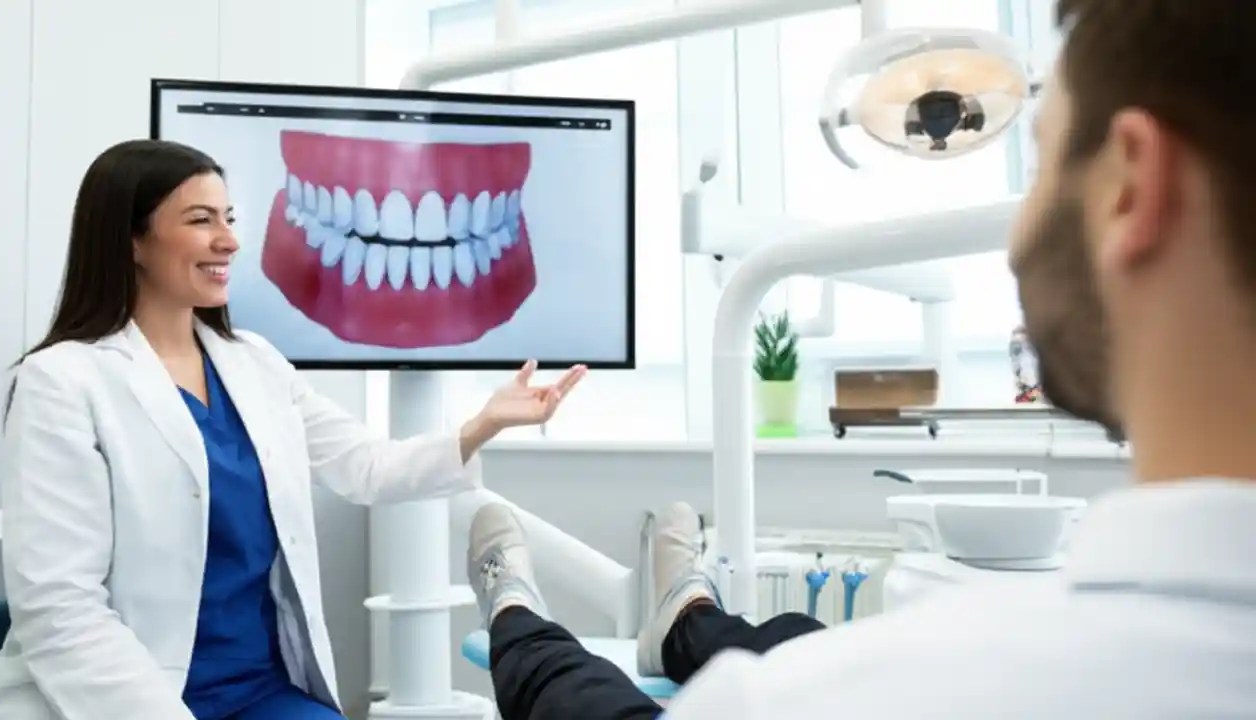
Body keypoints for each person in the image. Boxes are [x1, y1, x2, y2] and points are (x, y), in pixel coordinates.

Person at [463, 0, 1256, 717]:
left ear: (1130, 186)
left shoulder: (813, 700)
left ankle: (515, 615)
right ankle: (689, 620)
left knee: (581, 696)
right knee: (801, 636)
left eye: (1043, 156)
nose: (1017, 238)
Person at [0, 139, 586, 720]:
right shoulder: (61, 382)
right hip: (120, 698)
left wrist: (484, 423)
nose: (229, 240)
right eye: (200, 220)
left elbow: (366, 466)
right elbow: (60, 608)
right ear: (133, 240)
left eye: (230, 217)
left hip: (257, 689)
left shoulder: (254, 362)